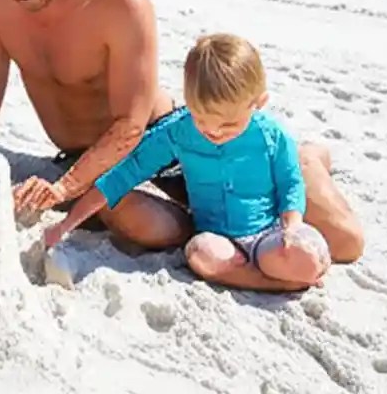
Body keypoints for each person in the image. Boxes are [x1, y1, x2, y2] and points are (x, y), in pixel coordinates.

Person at [0, 0, 365, 263]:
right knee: (153, 229)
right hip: (91, 161)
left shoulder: (118, 2)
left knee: (344, 242)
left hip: (173, 143)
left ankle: (304, 157)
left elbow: (130, 125)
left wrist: (64, 187)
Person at [44, 33, 332, 292]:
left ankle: (289, 272)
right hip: (219, 240)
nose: (214, 132)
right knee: (200, 254)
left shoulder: (272, 134)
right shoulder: (179, 131)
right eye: (201, 119)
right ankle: (273, 284)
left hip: (268, 233)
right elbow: (121, 175)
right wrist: (66, 225)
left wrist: (291, 227)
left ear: (258, 102)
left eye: (229, 124)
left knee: (307, 254)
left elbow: (290, 183)